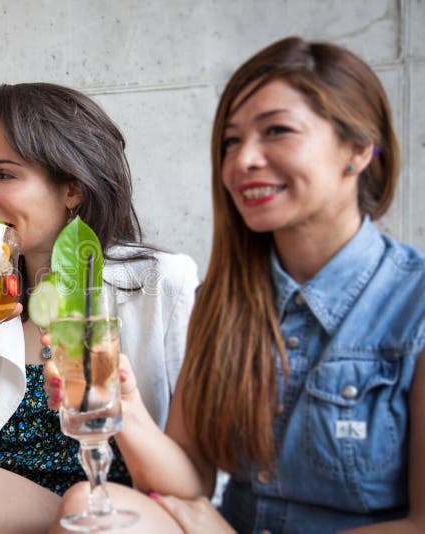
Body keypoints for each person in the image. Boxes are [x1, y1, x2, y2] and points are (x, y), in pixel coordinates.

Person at [50, 36, 425, 533]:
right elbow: (189, 485)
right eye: (231, 141)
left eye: (277, 131)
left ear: (357, 150)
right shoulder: (225, 299)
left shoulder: (413, 304)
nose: (244, 159)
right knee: (90, 510)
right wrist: (124, 406)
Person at [0, 83, 198, 533]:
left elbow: (203, 475)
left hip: (130, 515)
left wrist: (112, 395)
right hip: (16, 514)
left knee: (84, 504)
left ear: (72, 189)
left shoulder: (161, 285)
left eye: (5, 175)